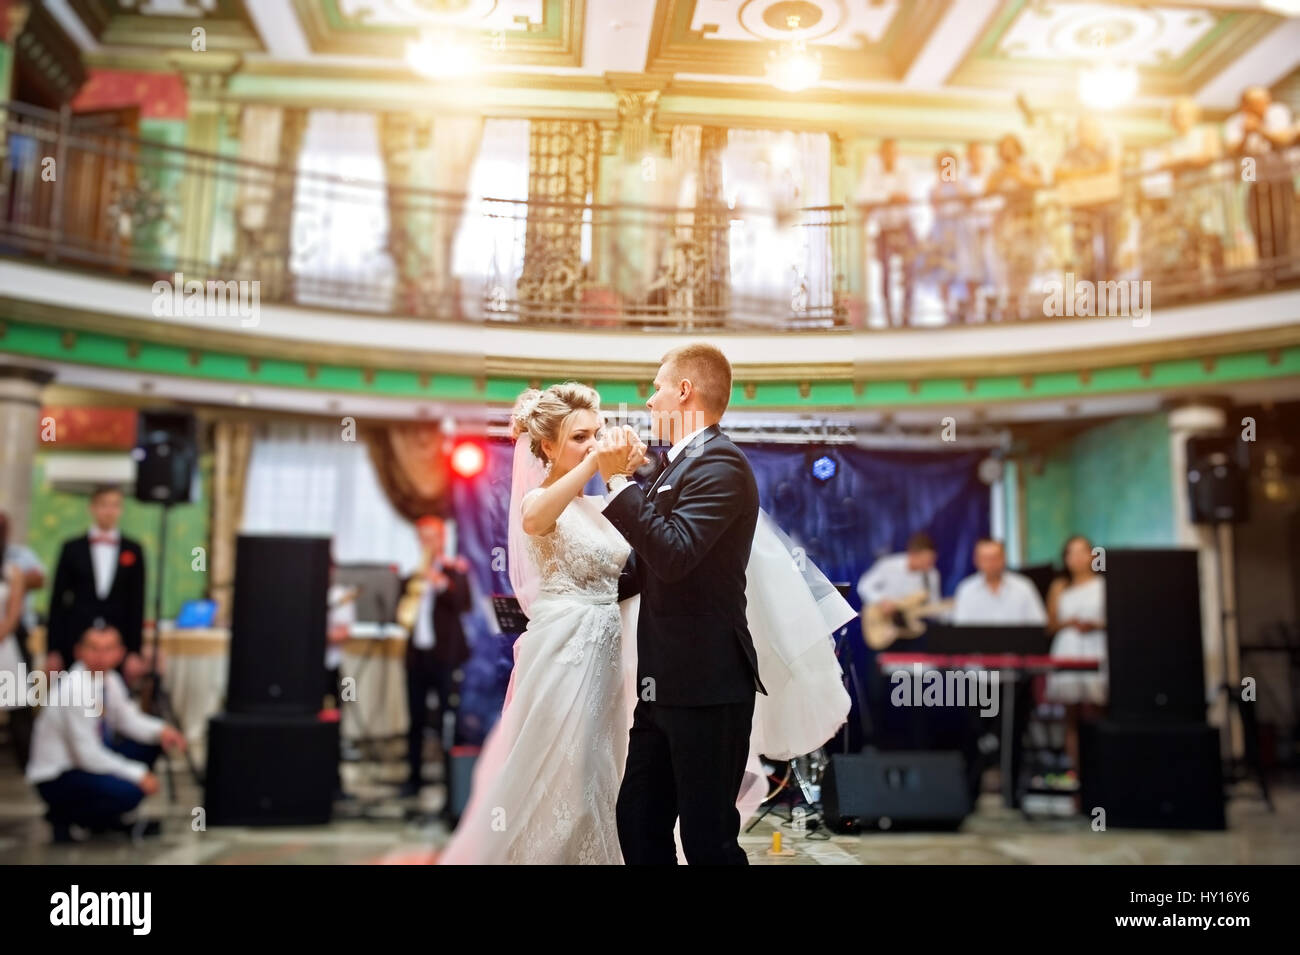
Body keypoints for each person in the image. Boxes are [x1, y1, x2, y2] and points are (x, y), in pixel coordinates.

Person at [440, 354, 852, 864]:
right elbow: (638, 566)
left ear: (683, 391)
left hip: (702, 682)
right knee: (636, 819)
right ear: (546, 446)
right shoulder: (672, 466)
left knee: (706, 837)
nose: (647, 400)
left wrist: (616, 482)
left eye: (655, 389)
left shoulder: (719, 463)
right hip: (639, 678)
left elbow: (672, 555)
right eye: (580, 436)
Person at [26, 622, 186, 842]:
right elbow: (86, 755)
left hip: (90, 758)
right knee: (130, 791)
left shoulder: (109, 680)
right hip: (60, 774)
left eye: (108, 648)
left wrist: (162, 730)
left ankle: (103, 817)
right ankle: (66, 815)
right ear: (79, 651)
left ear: (120, 653)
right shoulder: (74, 689)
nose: (101, 656)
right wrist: (137, 774)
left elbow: (127, 720)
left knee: (151, 743)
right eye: (94, 648)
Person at [45, 486, 147, 683]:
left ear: (121, 509)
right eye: (103, 505)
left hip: (117, 642)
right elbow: (57, 602)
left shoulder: (133, 550)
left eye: (115, 505)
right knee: (74, 694)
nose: (109, 511)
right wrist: (53, 650)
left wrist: (134, 651)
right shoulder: (72, 548)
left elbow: (137, 603)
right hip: (75, 639)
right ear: (92, 508)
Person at [401, 516, 471, 799]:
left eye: (432, 537)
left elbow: (462, 603)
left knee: (447, 718)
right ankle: (413, 779)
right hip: (417, 657)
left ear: (442, 539)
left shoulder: (455, 570)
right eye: (423, 538)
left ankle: (449, 782)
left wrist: (441, 582)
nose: (427, 543)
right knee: (415, 719)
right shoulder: (412, 575)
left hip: (445, 657)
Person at [1043, 535, 1107, 806]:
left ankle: (1102, 776)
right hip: (1068, 647)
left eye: (1083, 552)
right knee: (1071, 718)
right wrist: (1067, 623)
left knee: (1098, 711)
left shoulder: (1104, 585)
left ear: (1093, 555)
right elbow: (1049, 624)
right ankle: (1077, 778)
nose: (1077, 558)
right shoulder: (1060, 586)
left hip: (1095, 647)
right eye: (1071, 553)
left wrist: (1095, 625)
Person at [1224, 86, 1296, 271]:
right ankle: (1267, 272)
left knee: (1283, 226)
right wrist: (1246, 133)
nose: (1264, 106)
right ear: (1245, 106)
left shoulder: (1278, 112)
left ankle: (1285, 269)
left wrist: (1259, 129)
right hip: (1254, 183)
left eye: (1265, 101)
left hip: (1280, 181)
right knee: (1260, 229)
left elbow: (1284, 139)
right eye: (1257, 103)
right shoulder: (1235, 123)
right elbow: (1232, 150)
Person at [860, 139, 921, 326]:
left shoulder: (907, 170)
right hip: (884, 230)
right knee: (884, 273)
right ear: (881, 155)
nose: (890, 157)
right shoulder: (872, 173)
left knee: (909, 271)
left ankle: (907, 314)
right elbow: (863, 197)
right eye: (886, 153)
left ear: (897, 154)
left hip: (905, 226)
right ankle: (887, 315)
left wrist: (884, 198)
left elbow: (909, 195)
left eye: (893, 153)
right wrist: (888, 197)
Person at [952, 538, 1047, 625]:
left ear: (1004, 558)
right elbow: (961, 627)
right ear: (976, 560)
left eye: (995, 558)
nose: (991, 563)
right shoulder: (966, 590)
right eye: (985, 559)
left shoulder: (1024, 587)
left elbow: (1038, 623)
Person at [0, 512, 32, 768]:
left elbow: (13, 614)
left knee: (17, 707)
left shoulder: (13, 571)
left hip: (4, 645)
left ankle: (27, 762)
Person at [858, 531, 941, 620]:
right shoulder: (888, 565)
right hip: (885, 622)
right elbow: (864, 586)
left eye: (931, 561)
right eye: (925, 561)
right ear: (912, 554)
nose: (929, 565)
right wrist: (881, 601)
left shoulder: (931, 574)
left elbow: (934, 605)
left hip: (912, 625)